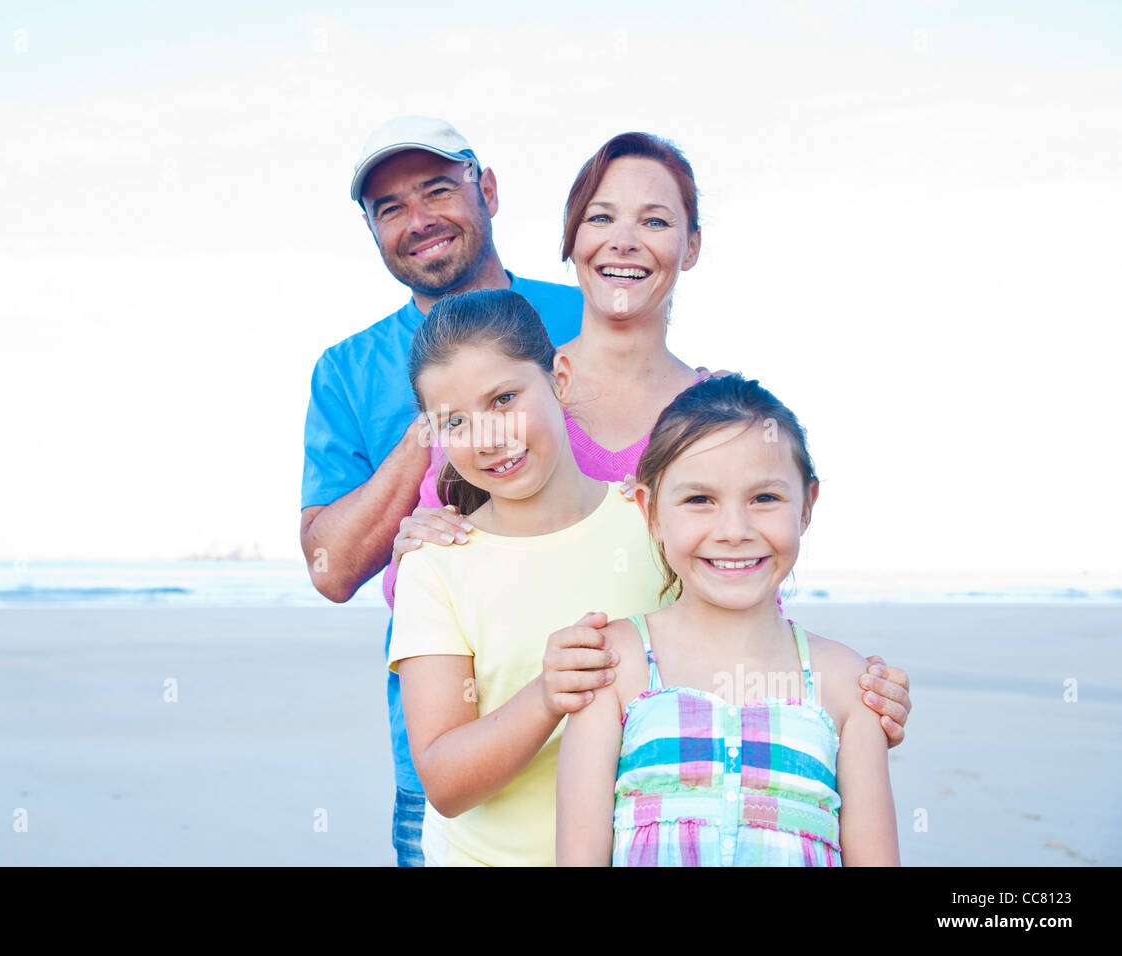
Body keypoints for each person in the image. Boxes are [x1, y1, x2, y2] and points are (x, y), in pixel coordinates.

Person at [381, 132, 913, 856]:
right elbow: (443, 704)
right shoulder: (472, 474)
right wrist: (415, 542)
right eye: (601, 218)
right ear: (569, 241)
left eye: (655, 220)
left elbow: (746, 625)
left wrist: (848, 700)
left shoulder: (715, 420)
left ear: (691, 245)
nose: (625, 240)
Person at [299, 116, 584, 866]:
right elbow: (330, 572)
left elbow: (681, 488)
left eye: (437, 189)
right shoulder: (346, 369)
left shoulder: (584, 319)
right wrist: (437, 425)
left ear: (486, 189)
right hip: (447, 762)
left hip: (619, 739)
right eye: (389, 208)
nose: (418, 220)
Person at [555, 375, 900, 866]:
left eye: (764, 499)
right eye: (700, 500)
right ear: (649, 511)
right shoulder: (613, 666)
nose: (734, 531)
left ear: (807, 506)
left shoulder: (848, 684)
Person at [388, 287, 667, 865]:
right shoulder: (435, 567)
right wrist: (545, 696)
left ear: (559, 379)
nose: (488, 436)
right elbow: (443, 782)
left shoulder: (655, 527)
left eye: (504, 398)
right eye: (455, 421)